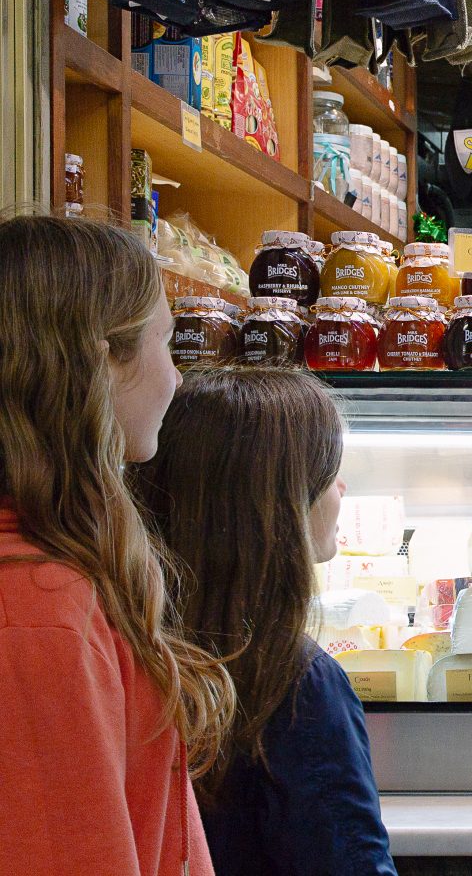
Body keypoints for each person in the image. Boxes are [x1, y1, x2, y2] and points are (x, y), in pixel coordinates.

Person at [0, 215, 233, 874]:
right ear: (102, 362)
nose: (178, 379)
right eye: (166, 341)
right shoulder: (36, 614)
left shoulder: (56, 580)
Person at [129, 369, 398, 876]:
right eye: (328, 473)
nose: (341, 489)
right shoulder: (295, 682)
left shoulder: (134, 645)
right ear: (278, 507)